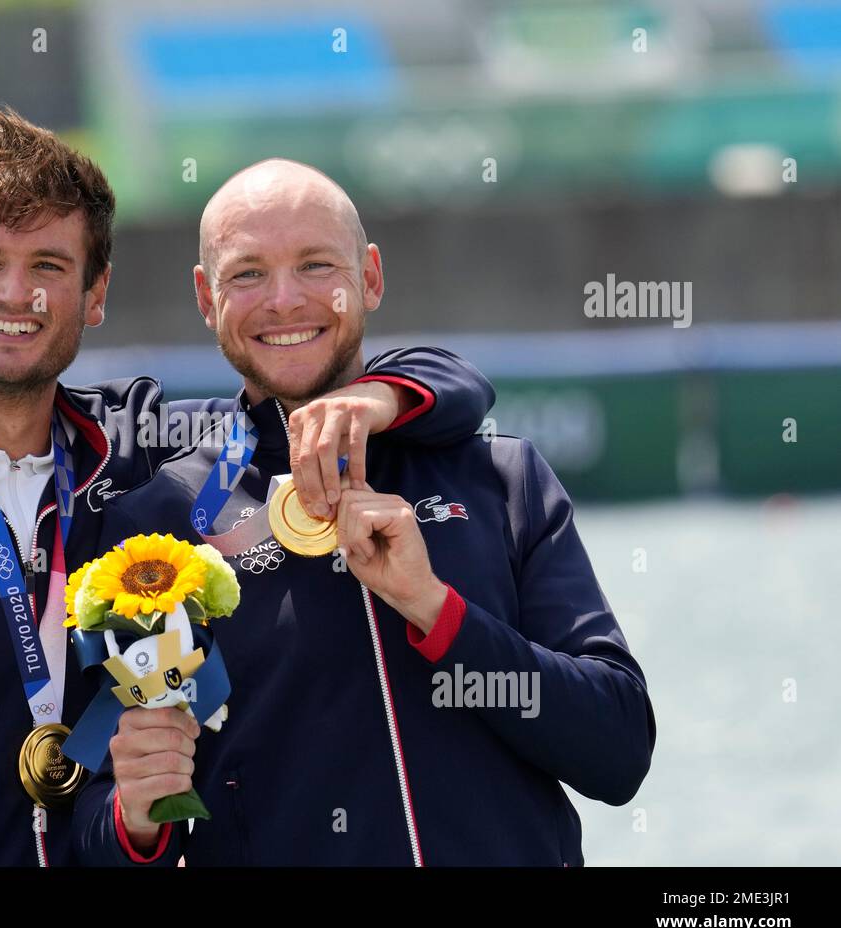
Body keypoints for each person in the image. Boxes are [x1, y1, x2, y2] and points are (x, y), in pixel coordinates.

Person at [0, 109, 496, 866]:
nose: (16, 294)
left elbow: (452, 384)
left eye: (49, 266)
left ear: (95, 293)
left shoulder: (148, 453)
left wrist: (369, 400)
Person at [73, 158, 656, 866]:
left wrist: (436, 611)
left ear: (369, 277)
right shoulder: (160, 528)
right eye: (248, 273)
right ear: (206, 296)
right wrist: (136, 818)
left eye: (316, 265)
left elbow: (619, 753)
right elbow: (102, 818)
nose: (284, 300)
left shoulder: (501, 476)